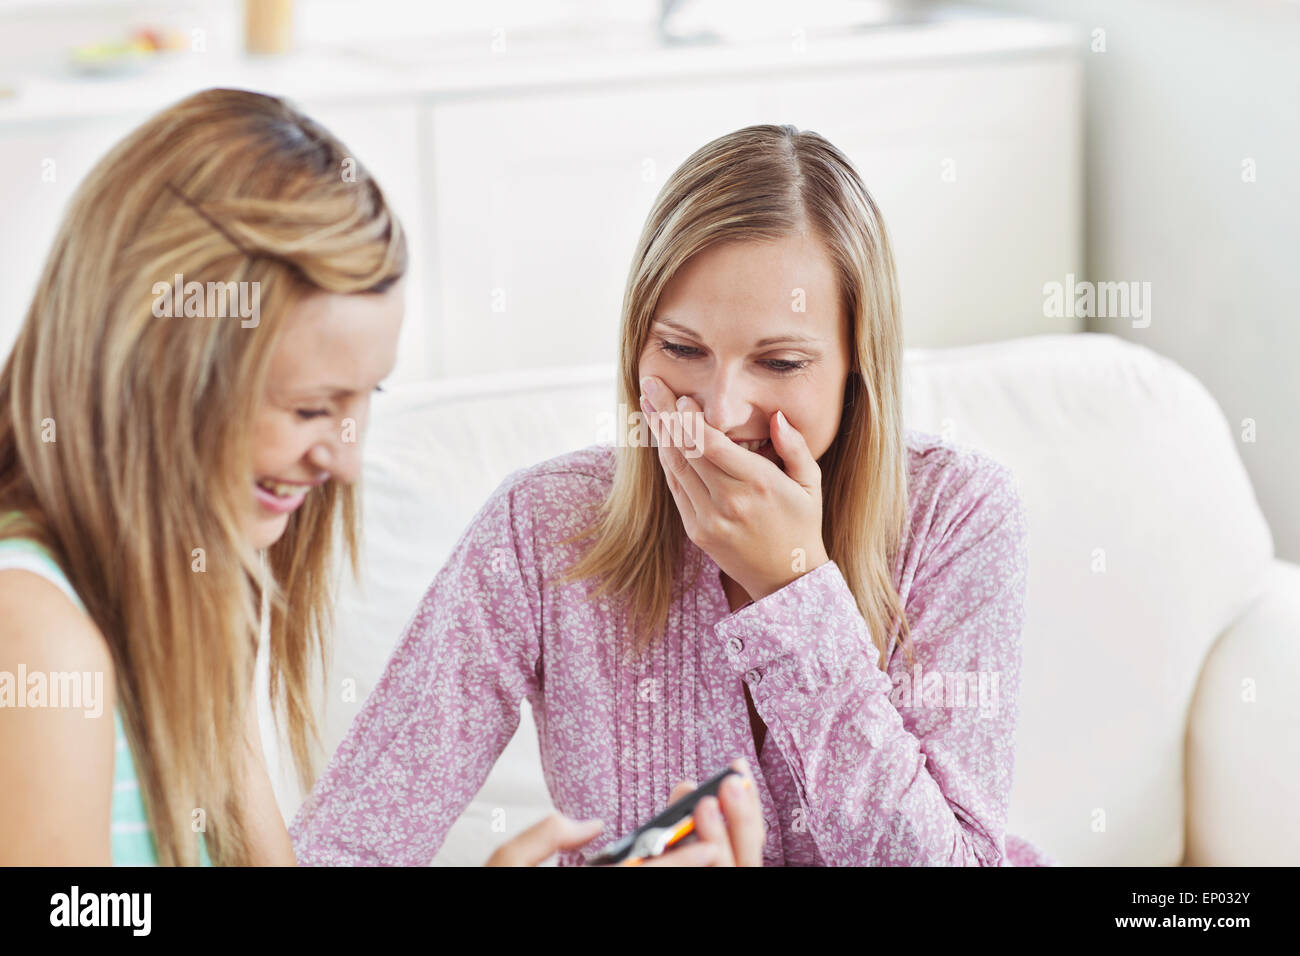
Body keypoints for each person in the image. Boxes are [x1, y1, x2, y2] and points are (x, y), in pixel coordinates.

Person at [0, 88, 755, 866]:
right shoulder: (35, 629)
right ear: (153, 371)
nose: (346, 460)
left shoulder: (191, 609)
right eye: (308, 409)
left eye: (366, 399)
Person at [289, 124, 1055, 866]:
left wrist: (792, 589)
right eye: (682, 349)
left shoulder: (960, 518)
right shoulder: (544, 529)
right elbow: (350, 841)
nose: (719, 412)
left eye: (781, 362)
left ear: (858, 363)